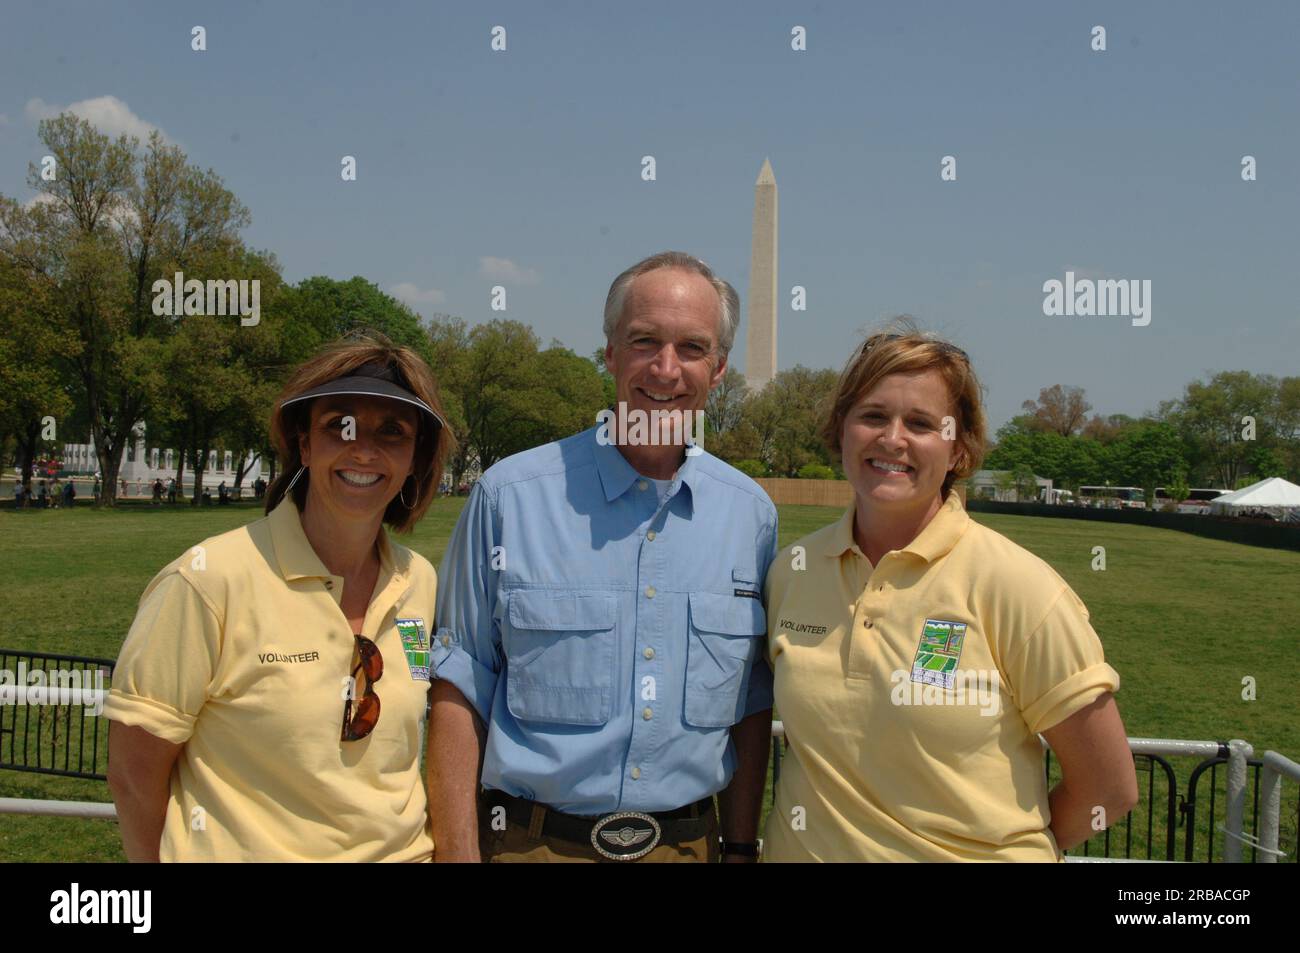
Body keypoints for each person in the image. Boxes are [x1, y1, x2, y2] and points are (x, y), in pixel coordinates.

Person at [429, 251, 776, 863]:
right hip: (533, 845)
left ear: (719, 369)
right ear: (611, 353)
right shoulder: (509, 499)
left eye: (692, 348)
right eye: (644, 341)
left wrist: (742, 846)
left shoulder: (750, 517)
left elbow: (751, 699)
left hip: (687, 846)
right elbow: (459, 688)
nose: (666, 370)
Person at [761, 326, 1138, 862]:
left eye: (920, 423)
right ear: (840, 428)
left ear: (958, 447)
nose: (892, 439)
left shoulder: (1018, 586)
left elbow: (1110, 789)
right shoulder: (793, 573)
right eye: (872, 415)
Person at [104, 333, 454, 861]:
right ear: (305, 444)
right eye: (340, 426)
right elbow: (134, 775)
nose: (364, 449)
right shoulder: (207, 581)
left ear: (414, 459)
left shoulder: (419, 582)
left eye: (393, 432)